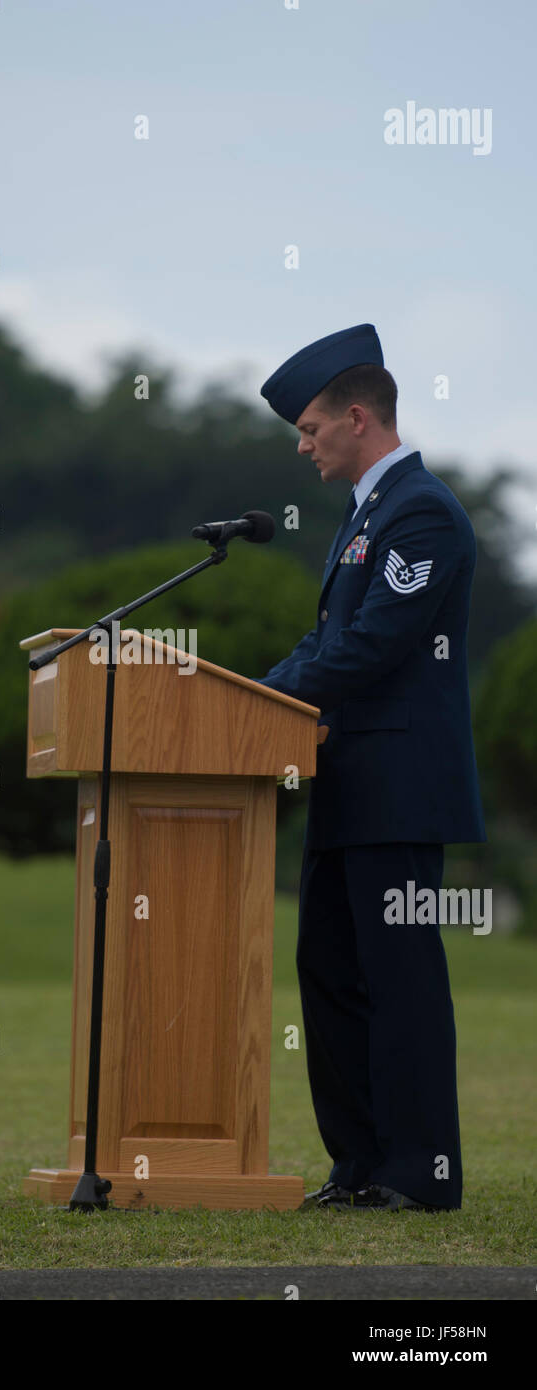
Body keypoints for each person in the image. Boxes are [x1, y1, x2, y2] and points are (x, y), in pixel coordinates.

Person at [256, 323, 486, 1211]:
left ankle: (418, 1173)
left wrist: (263, 700)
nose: (303, 446)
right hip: (348, 791)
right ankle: (357, 1167)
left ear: (360, 418)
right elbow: (327, 643)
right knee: (333, 977)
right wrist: (246, 695)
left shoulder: (419, 512)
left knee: (401, 985)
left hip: (399, 793)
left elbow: (370, 648)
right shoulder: (365, 517)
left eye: (311, 429)